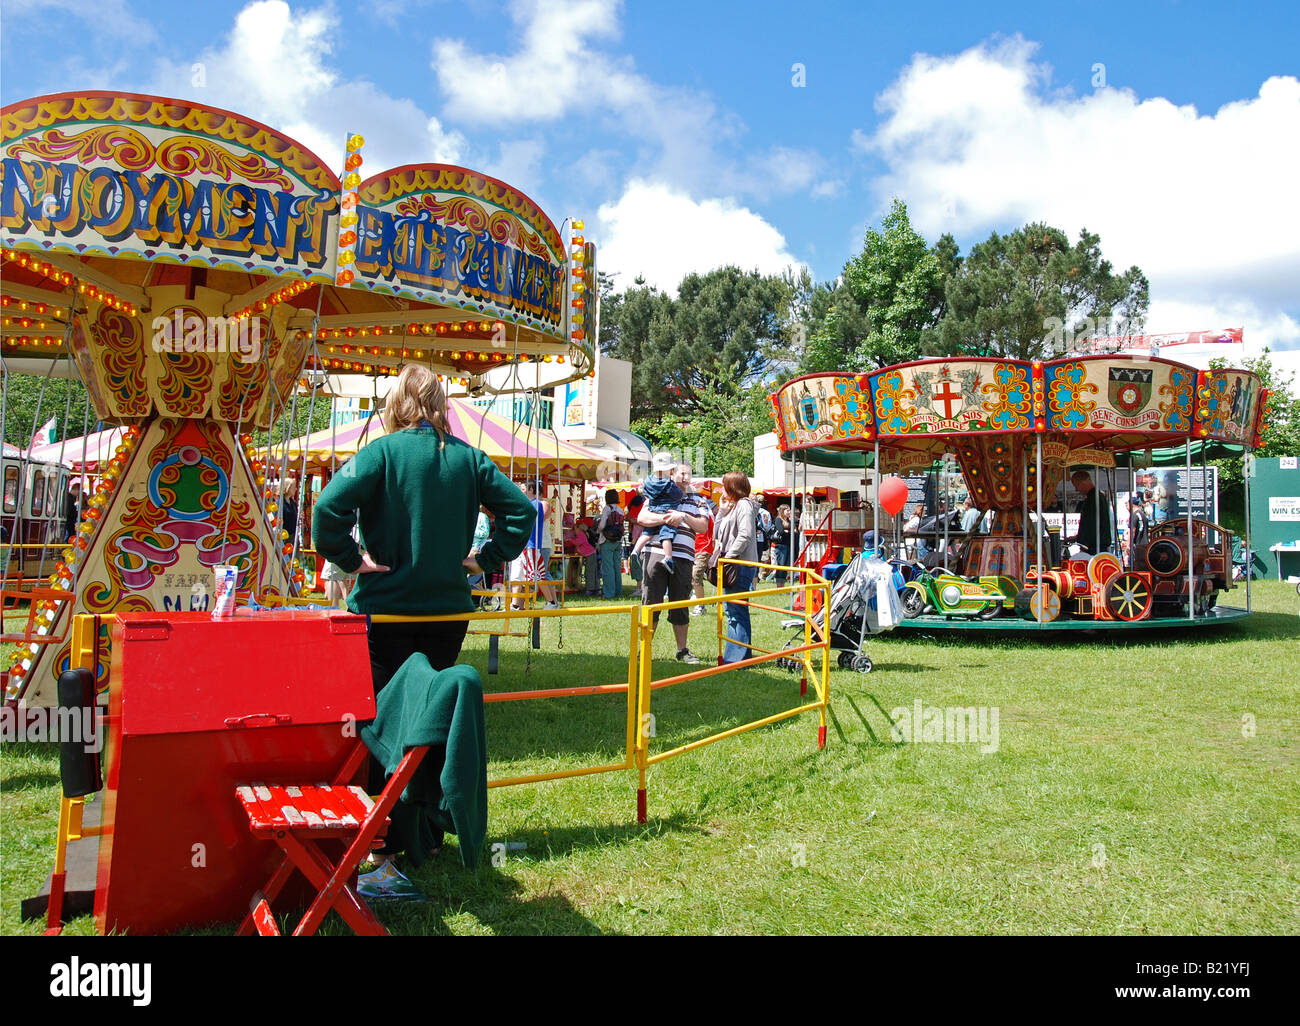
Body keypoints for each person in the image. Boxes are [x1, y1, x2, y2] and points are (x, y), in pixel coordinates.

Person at [313, 364, 534, 894]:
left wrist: (351, 559)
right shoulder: (467, 458)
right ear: (439, 404)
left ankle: (384, 846)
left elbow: (326, 509)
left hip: (385, 613)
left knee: (382, 725)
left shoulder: (380, 452)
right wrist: (486, 557)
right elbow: (521, 510)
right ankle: (423, 835)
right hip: (445, 614)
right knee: (431, 719)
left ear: (396, 403)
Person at [638, 463, 712, 664]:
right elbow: (641, 518)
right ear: (673, 474)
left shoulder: (698, 500)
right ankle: (644, 650)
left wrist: (684, 516)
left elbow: (703, 527)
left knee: (680, 603)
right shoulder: (658, 494)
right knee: (651, 601)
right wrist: (666, 518)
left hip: (684, 558)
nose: (685, 478)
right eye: (682, 473)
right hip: (655, 553)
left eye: (689, 474)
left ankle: (682, 650)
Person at [711, 472, 760, 664]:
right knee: (733, 610)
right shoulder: (734, 507)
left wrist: (729, 556)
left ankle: (738, 657)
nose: (722, 490)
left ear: (732, 487)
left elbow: (745, 535)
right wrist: (722, 512)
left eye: (724, 486)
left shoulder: (744, 505)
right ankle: (737, 655)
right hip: (735, 564)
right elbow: (717, 534)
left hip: (739, 565)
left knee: (736, 610)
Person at [512, 480, 559, 608]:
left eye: (523, 489)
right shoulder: (532, 504)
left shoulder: (535, 504)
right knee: (523, 576)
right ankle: (516, 604)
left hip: (531, 544)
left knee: (537, 574)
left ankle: (551, 601)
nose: (521, 491)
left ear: (530, 490)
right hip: (527, 545)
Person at [642, 453, 684, 572]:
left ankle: (636, 550)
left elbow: (641, 518)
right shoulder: (669, 485)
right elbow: (678, 495)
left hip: (652, 511)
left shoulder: (649, 482)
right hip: (668, 511)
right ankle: (668, 557)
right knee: (667, 535)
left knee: (646, 534)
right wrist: (665, 518)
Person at [1068, 469, 1113, 555]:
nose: (1076, 489)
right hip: (1096, 545)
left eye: (1076, 486)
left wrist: (1080, 538)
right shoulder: (1097, 497)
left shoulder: (1094, 499)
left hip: (1095, 547)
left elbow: (1091, 525)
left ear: (1082, 483)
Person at [595, 488, 625, 599]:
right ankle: (618, 591)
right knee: (617, 566)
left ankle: (609, 593)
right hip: (618, 540)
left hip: (607, 540)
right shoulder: (620, 510)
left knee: (608, 568)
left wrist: (598, 530)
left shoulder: (607, 509)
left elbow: (602, 525)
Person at [689, 502, 714, 616]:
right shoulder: (690, 513)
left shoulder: (706, 515)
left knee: (695, 575)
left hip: (703, 549)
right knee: (691, 576)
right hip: (691, 548)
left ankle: (701, 605)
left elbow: (712, 534)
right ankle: (695, 596)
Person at [770, 504, 792, 583]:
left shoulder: (789, 520)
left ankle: (783, 586)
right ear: (782, 511)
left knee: (785, 567)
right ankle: (779, 586)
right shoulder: (778, 520)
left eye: (790, 510)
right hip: (780, 546)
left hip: (787, 545)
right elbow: (781, 531)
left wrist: (788, 532)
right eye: (788, 510)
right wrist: (789, 533)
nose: (790, 512)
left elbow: (795, 532)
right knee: (780, 565)